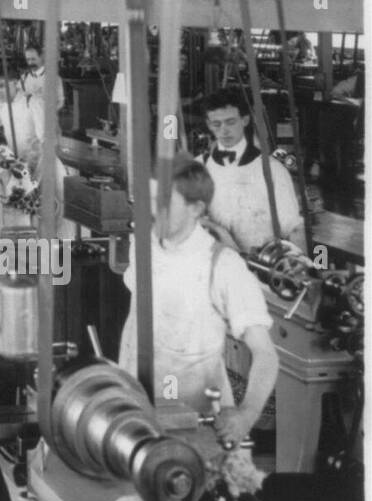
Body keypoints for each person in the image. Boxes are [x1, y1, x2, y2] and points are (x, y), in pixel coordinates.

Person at [119, 155, 278, 443]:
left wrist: (246, 414)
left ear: (196, 208)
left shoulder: (223, 266)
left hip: (197, 424)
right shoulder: (143, 244)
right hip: (136, 411)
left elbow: (266, 355)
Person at [199, 89, 304, 254]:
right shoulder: (198, 167)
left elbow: (293, 228)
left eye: (231, 122)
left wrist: (316, 267)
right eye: (216, 124)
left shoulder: (272, 170)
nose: (224, 130)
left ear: (245, 120)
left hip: (259, 271)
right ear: (208, 124)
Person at [0, 71, 44, 162]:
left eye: (1, 86)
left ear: (16, 83)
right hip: (17, 164)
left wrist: (31, 163)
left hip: (39, 165)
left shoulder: (33, 103)